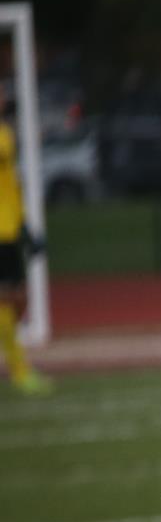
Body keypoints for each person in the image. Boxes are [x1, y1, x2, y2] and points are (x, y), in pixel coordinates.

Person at [0, 91, 52, 398]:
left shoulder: (6, 135)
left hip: (9, 229)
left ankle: (19, 368)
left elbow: (11, 186)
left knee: (17, 301)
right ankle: (19, 370)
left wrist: (24, 226)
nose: (3, 96)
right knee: (9, 299)